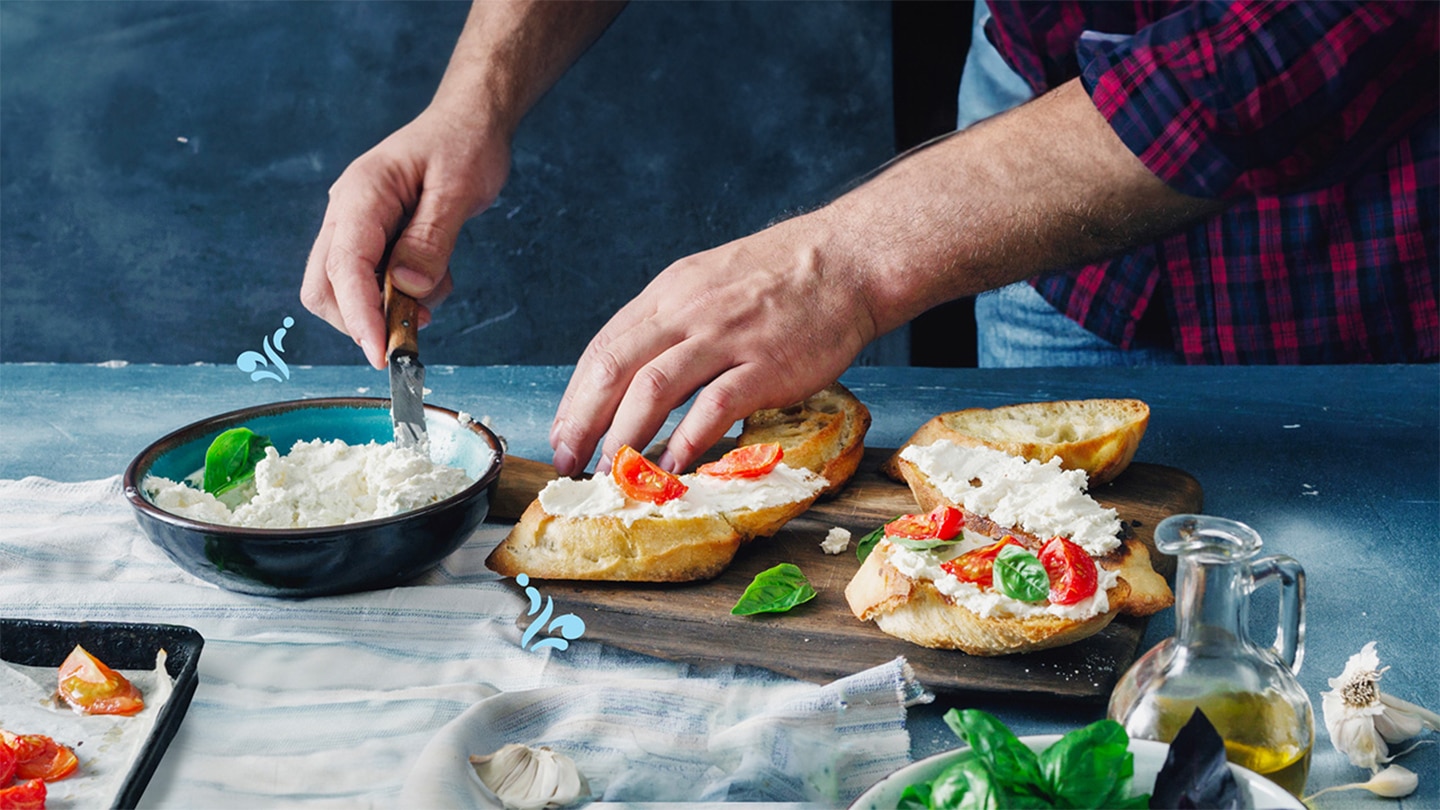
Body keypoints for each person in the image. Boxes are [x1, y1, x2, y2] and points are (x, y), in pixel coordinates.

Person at [300, 0, 1437, 480]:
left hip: (1370, 220)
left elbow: (1302, 36)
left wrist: (840, 260)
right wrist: (472, 104)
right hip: (1046, 115)